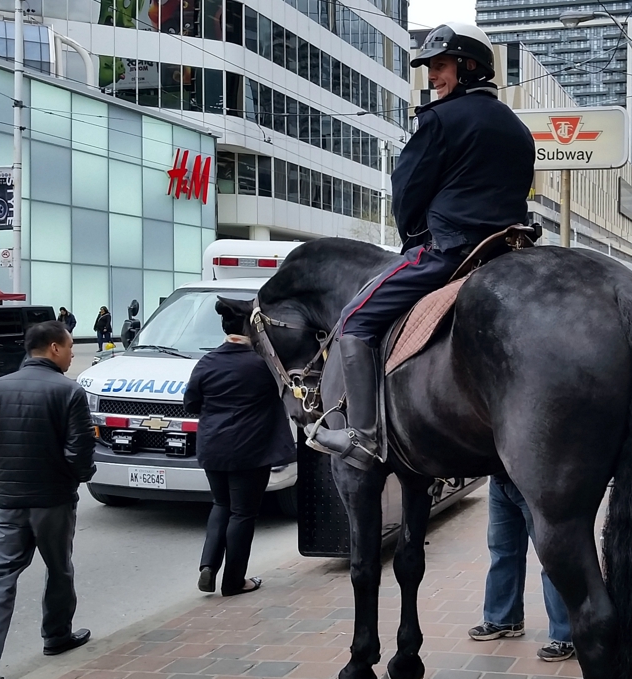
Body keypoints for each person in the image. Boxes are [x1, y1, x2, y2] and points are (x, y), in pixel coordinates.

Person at [308, 22, 536, 465]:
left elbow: (408, 190)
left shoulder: (440, 120)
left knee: (354, 318)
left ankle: (363, 435)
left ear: (470, 68)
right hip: (506, 248)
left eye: (441, 65)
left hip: (451, 252)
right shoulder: (519, 129)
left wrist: (413, 238)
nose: (432, 76)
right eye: (430, 67)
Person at [0, 321, 95, 679]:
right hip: (53, 500)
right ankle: (57, 635)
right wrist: (77, 478)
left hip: (9, 499)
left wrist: (4, 477)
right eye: (69, 347)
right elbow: (80, 452)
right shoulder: (69, 392)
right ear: (53, 348)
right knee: (59, 568)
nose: (71, 354)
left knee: (0, 574)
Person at [184, 301, 296, 596]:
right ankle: (234, 581)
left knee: (221, 505)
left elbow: (191, 403)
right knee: (243, 514)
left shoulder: (207, 362)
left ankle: (208, 566)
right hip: (251, 451)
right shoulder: (263, 365)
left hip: (213, 448)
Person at [468, 473, 575, 662]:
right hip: (500, 479)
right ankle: (503, 620)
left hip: (534, 478)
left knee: (551, 557)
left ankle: (567, 635)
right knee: (502, 551)